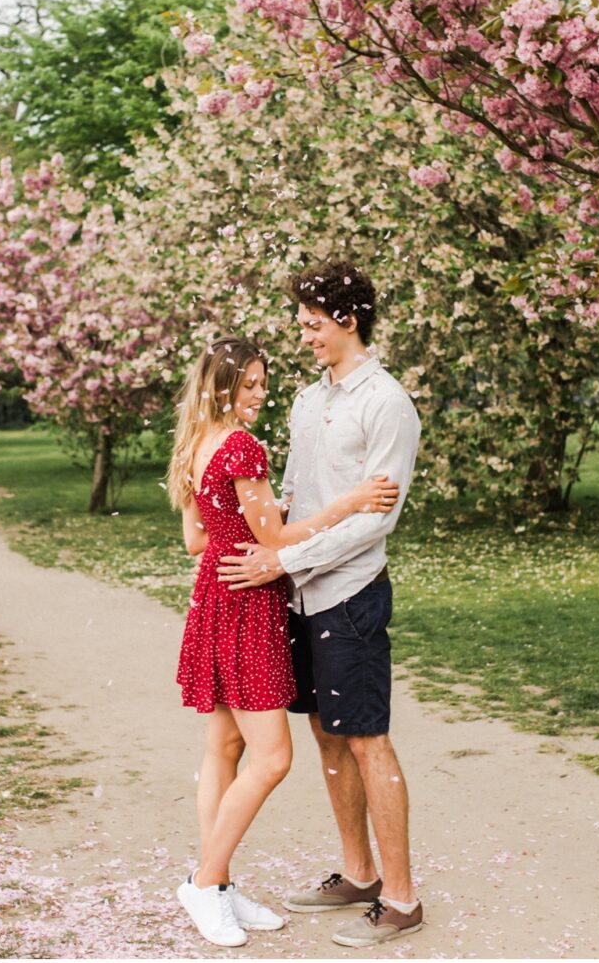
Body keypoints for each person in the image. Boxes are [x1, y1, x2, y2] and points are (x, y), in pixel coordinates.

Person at [168, 336, 400, 947]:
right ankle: (205, 879)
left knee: (224, 747)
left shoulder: (196, 442)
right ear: (222, 385)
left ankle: (215, 887)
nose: (259, 395)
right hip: (247, 607)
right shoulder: (243, 447)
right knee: (272, 757)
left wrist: (247, 526)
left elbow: (198, 541)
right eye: (249, 385)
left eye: (263, 386)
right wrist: (350, 501)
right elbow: (281, 538)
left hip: (213, 597)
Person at [218, 261, 425, 948]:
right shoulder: (310, 400)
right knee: (327, 734)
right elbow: (299, 495)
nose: (302, 334)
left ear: (348, 319)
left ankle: (400, 898)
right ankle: (359, 873)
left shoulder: (387, 403)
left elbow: (376, 520)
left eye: (311, 323)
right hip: (301, 595)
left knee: (367, 739)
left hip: (351, 594)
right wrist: (256, 520)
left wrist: (283, 557)